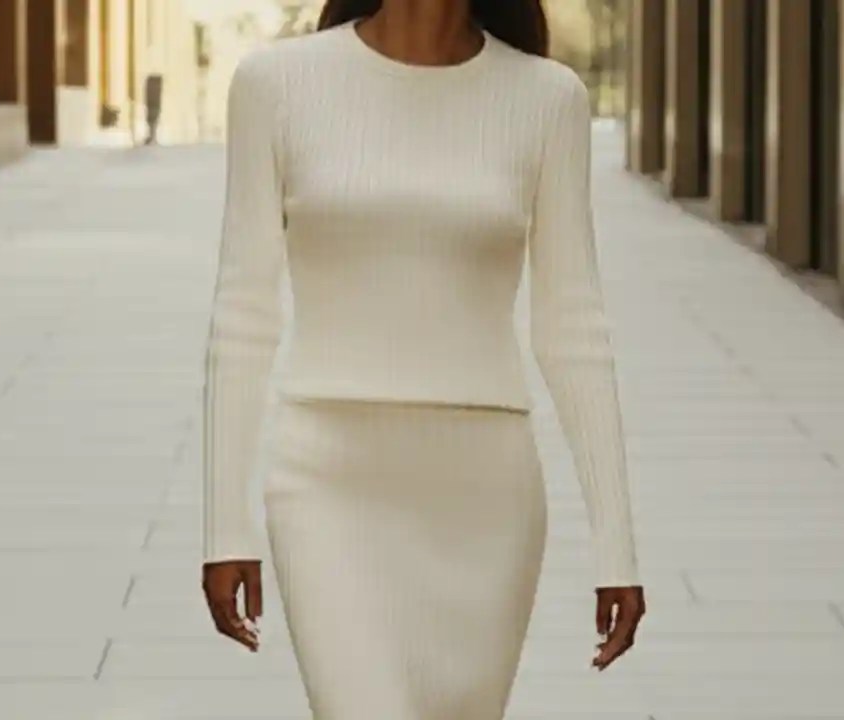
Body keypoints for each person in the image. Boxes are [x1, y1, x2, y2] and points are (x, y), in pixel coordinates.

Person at [199, 1, 646, 716]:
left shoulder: (546, 98)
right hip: (327, 479)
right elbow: (242, 311)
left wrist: (615, 547)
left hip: (485, 497)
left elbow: (574, 327)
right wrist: (225, 525)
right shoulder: (275, 84)